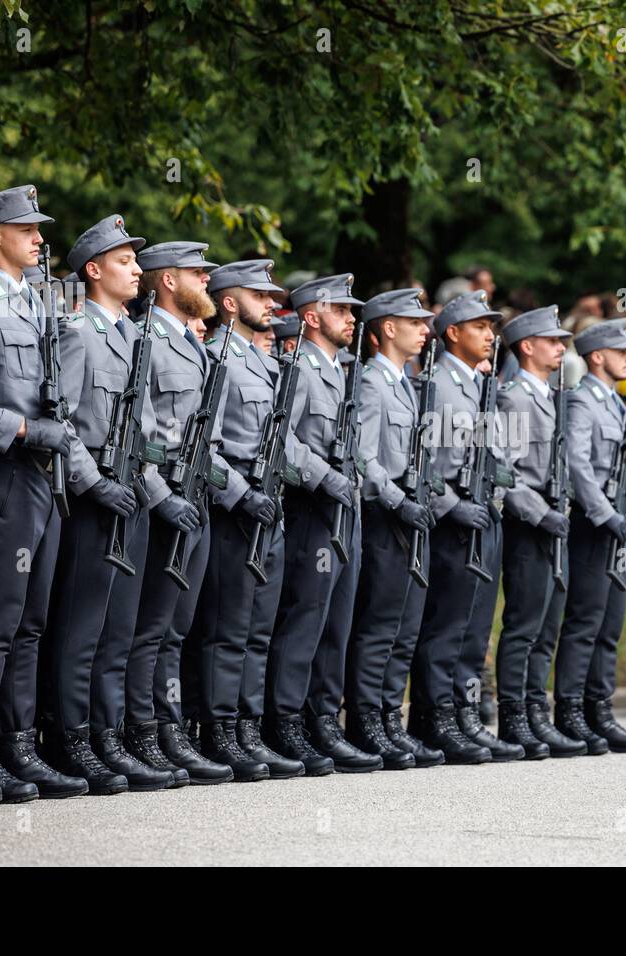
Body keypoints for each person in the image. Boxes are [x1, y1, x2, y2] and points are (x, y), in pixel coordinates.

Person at [0, 185, 89, 801]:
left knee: (31, 618)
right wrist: (26, 428)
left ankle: (18, 743)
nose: (40, 239)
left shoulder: (38, 303)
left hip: (45, 477)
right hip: (8, 473)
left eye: (40, 230)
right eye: (27, 229)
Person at [43, 214, 178, 792]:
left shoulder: (132, 335)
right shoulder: (79, 332)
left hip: (132, 496)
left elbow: (144, 430)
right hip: (96, 495)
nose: (137, 270)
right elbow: (63, 418)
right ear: (93, 271)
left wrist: (151, 493)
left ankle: (109, 736)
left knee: (119, 629)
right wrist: (91, 481)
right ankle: (71, 739)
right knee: (83, 628)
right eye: (126, 262)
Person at [123, 240, 232, 784]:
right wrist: (160, 497)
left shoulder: (195, 346)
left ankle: (169, 731)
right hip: (163, 502)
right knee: (151, 630)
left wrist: (212, 489)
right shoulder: (146, 341)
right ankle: (142, 733)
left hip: (197, 499)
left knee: (176, 630)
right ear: (168, 282)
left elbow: (204, 440)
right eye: (196, 273)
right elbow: (136, 434)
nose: (206, 281)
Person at [264, 274, 379, 774]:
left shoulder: (341, 371)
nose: (352, 319)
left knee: (337, 620)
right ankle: (285, 720)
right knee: (306, 616)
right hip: (314, 509)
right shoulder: (300, 369)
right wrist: (323, 478)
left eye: (353, 313)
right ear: (311, 316)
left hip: (344, 508)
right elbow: (283, 442)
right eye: (342, 311)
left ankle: (323, 719)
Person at [188, 259, 298, 780]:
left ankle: (248, 729)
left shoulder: (262, 362)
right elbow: (204, 446)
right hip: (237, 512)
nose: (273, 303)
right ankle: (219, 729)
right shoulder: (219, 359)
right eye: (261, 295)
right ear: (230, 303)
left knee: (258, 629)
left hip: (269, 510)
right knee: (227, 629)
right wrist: (239, 494)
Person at [407, 291, 520, 763]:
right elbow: (427, 464)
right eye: (481, 327)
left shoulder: (479, 385)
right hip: (454, 524)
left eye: (492, 328)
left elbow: (499, 456)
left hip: (484, 516)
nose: (491, 336)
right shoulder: (436, 384)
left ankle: (465, 714)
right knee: (447, 626)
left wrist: (494, 498)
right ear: (452, 333)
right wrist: (454, 507)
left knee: (475, 628)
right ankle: (436, 719)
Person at [343, 287, 438, 769]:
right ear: (386, 329)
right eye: (414, 322)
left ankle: (388, 717)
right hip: (386, 515)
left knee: (404, 628)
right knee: (379, 626)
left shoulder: (405, 382)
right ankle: (365, 720)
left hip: (409, 513)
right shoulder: (372, 382)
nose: (425, 330)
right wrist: (398, 500)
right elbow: (361, 454)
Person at [556, 318, 626, 753]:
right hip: (594, 525)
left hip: (616, 524)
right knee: (586, 620)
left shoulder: (616, 402)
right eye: (623, 352)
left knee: (610, 622)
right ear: (598, 357)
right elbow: (577, 465)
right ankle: (571, 711)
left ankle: (600, 708)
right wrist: (604, 513)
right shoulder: (582, 403)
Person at [493, 306, 577, 757]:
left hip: (553, 522)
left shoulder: (547, 394)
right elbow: (508, 471)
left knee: (547, 625)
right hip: (530, 525)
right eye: (553, 341)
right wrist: (539, 513)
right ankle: (514, 716)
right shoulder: (516, 398)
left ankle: (534, 712)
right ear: (527, 346)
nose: (561, 347)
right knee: (524, 624)